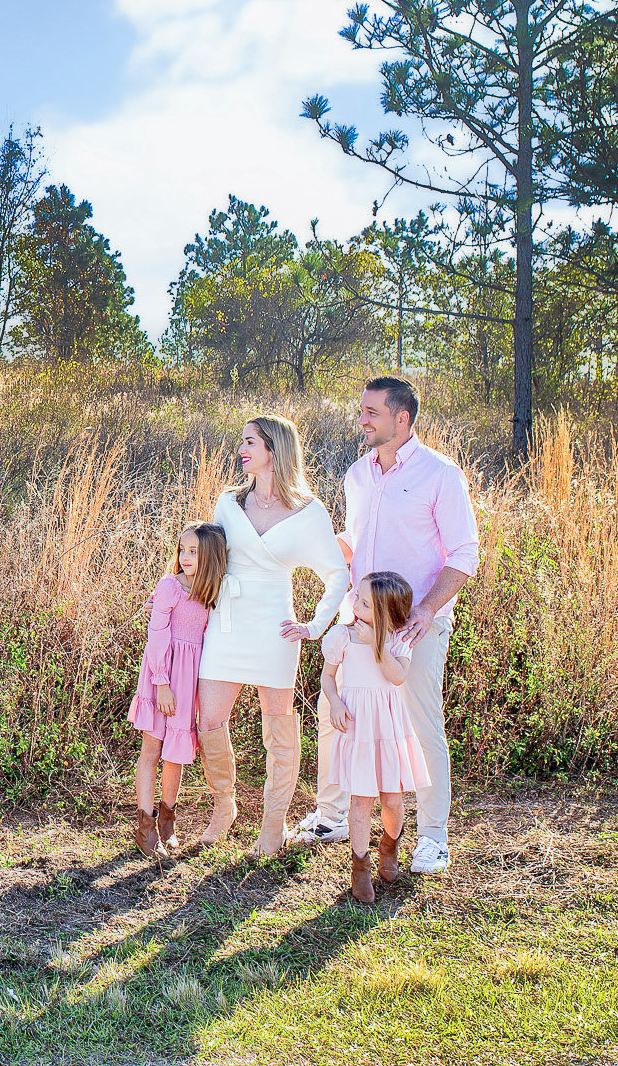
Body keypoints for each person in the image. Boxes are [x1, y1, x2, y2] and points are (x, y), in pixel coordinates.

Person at [288, 376, 479, 876]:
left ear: (403, 419)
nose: (362, 420)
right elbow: (354, 540)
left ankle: (433, 838)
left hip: (412, 628)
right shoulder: (357, 474)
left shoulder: (441, 475)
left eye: (372, 412)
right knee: (339, 714)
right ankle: (330, 817)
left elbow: (464, 553)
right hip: (358, 621)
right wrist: (306, 550)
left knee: (419, 723)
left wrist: (425, 610)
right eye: (361, 411)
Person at [193, 416, 350, 856]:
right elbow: (205, 558)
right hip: (227, 623)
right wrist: (174, 597)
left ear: (274, 449)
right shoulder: (228, 502)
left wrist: (315, 625)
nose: (241, 450)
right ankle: (224, 807)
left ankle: (272, 824)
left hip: (275, 629)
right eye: (241, 441)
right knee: (208, 720)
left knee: (278, 726)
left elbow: (336, 575)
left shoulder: (308, 511)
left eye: (249, 442)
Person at [322, 572, 431, 903]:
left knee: (392, 799)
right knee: (360, 799)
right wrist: (335, 703)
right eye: (357, 597)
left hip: (388, 727)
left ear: (386, 613)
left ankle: (389, 845)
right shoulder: (342, 636)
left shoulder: (398, 640)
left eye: (365, 603)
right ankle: (360, 866)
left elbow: (396, 677)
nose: (355, 605)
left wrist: (378, 643)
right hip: (358, 725)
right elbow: (327, 677)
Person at [126, 521, 226, 857]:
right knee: (152, 751)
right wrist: (162, 684)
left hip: (189, 682)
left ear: (210, 556)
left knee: (176, 754)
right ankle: (145, 826)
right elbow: (158, 637)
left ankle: (168, 820)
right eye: (182, 549)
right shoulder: (170, 586)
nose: (184, 557)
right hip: (162, 678)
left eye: (193, 551)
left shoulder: (212, 594)